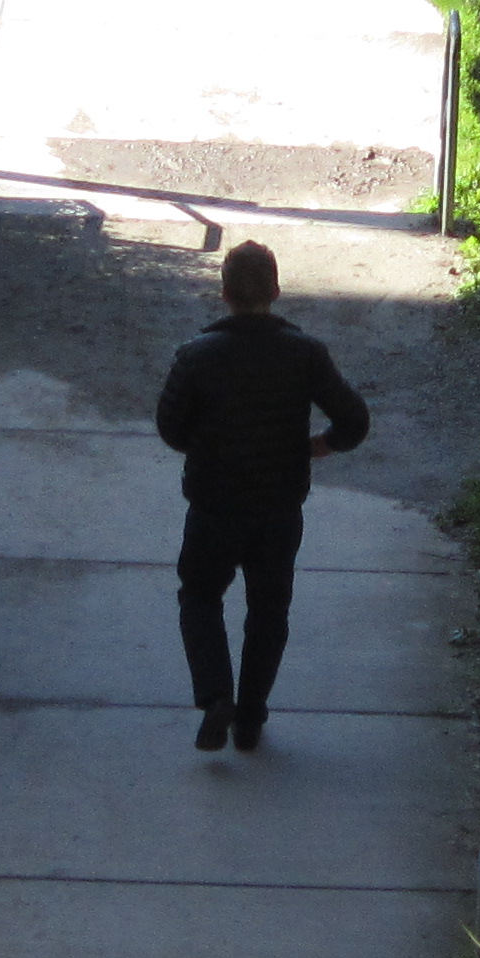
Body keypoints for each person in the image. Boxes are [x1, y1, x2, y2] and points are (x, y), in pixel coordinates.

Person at [152, 240, 370, 753]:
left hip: (214, 505)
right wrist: (317, 447)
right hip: (278, 507)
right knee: (269, 609)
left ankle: (214, 696)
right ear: (275, 290)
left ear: (223, 292)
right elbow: (354, 419)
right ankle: (250, 716)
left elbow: (170, 425)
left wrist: (205, 447)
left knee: (200, 596)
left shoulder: (197, 355)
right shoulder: (305, 353)